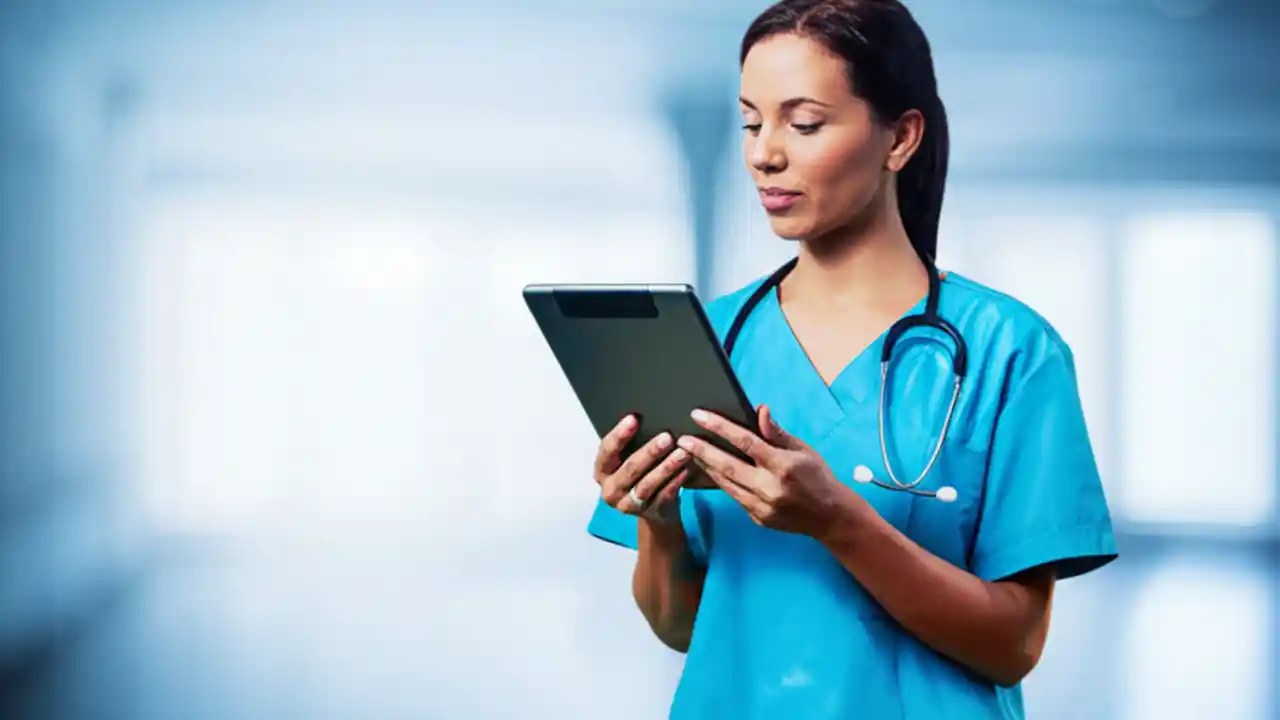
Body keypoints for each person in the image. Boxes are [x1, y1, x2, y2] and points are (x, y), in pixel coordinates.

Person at [585, 1, 1118, 717]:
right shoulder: (713, 338)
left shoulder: (1011, 349)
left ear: (900, 137)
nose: (763, 152)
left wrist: (836, 518)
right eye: (751, 122)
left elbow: (1012, 643)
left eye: (803, 124)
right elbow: (680, 627)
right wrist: (657, 520)